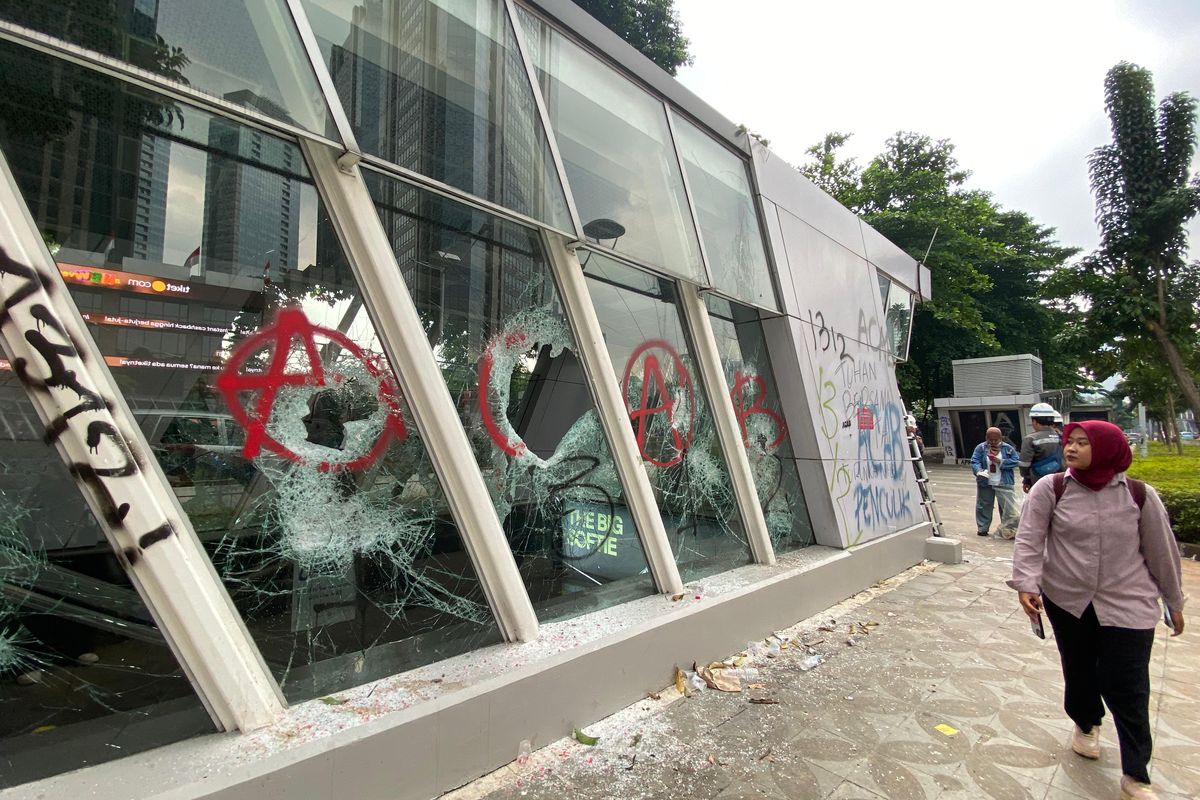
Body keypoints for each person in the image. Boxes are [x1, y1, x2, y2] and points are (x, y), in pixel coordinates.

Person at [1008, 420, 1186, 800]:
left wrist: (1174, 601)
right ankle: (1086, 723)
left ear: (1106, 449)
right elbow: (1029, 538)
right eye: (1069, 442)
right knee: (1079, 666)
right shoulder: (1051, 488)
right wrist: (1026, 583)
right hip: (1068, 599)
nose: (1071, 449)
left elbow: (1162, 552)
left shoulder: (1139, 495)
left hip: (1128, 602)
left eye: (1082, 443)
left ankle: (1136, 773)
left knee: (1128, 684)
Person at [971, 426, 1020, 538]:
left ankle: (1007, 530)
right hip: (986, 481)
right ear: (986, 438)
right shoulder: (981, 448)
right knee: (984, 505)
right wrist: (978, 471)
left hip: (1004, 481)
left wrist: (1001, 462)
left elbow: (1016, 461)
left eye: (996, 440)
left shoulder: (1008, 448)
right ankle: (983, 528)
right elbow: (975, 461)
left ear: (1001, 438)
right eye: (990, 439)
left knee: (1007, 507)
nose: (993, 442)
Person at [1019, 402, 1064, 493]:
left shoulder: (1030, 439)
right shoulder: (1062, 437)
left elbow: (1024, 464)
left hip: (1039, 482)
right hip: (1060, 481)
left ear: (1034, 421)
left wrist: (1026, 480)